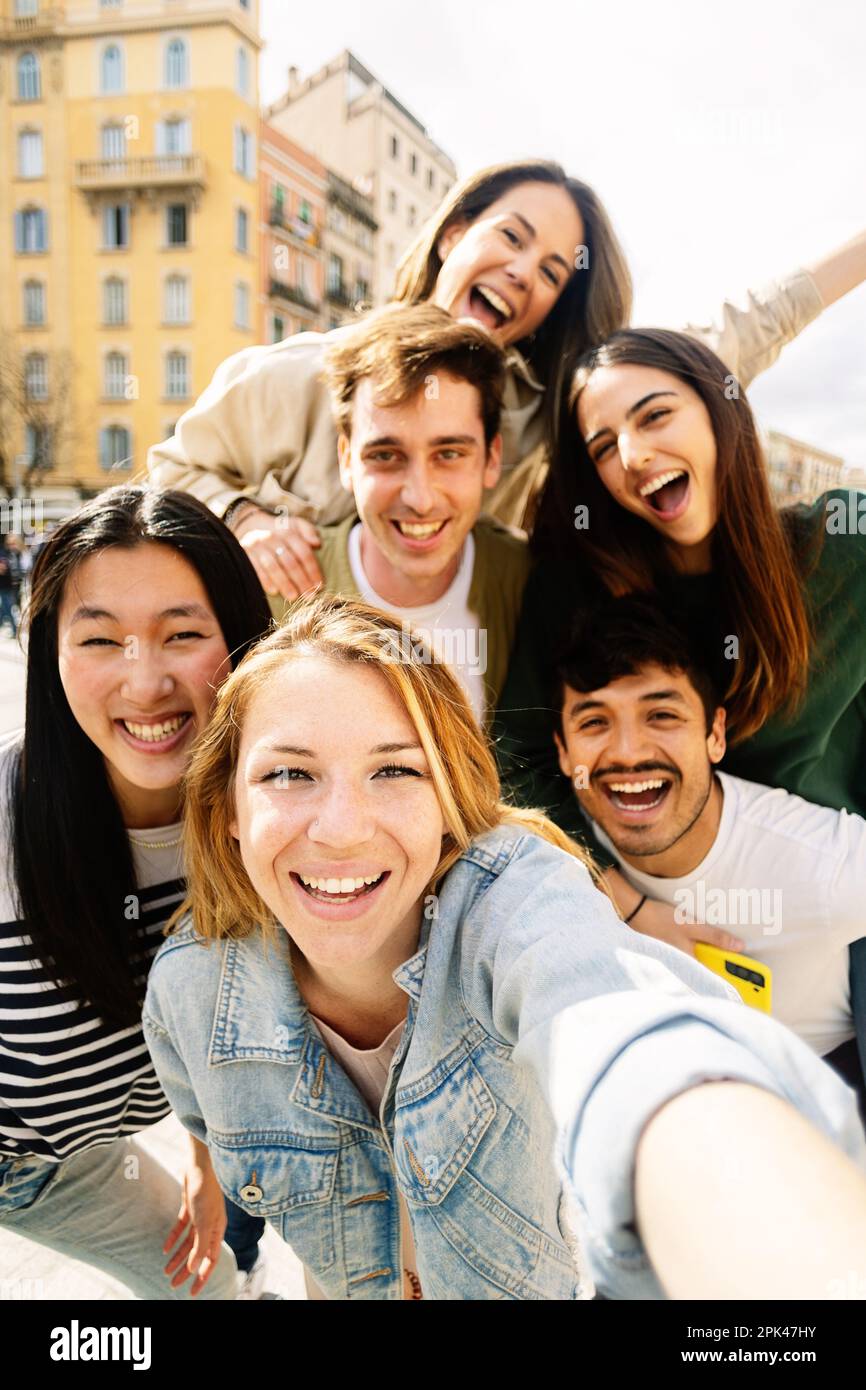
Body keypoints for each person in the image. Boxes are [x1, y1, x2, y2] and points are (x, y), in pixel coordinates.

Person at [143, 593, 866, 1301]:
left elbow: (616, 1016)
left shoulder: (517, 902)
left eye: (396, 770)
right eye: (289, 773)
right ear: (229, 809)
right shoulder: (188, 994)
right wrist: (207, 1177)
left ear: (448, 804)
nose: (342, 828)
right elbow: (204, 1112)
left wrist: (746, 1186)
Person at [146, 159, 866, 601]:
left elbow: (730, 336)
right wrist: (245, 519)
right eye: (512, 237)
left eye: (553, 272)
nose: (525, 271)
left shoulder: (540, 418)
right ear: (455, 234)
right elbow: (166, 476)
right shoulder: (291, 375)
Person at [495, 326, 866, 1080]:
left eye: (655, 415)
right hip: (667, 916)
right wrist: (623, 904)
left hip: (840, 901)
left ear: (718, 411)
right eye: (602, 446)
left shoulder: (838, 547)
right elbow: (520, 757)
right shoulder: (580, 583)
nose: (631, 456)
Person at [0, 485, 272, 1299]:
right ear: (51, 653)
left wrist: (205, 1156)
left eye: (182, 634)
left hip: (70, 1168)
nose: (145, 681)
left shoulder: (266, 824)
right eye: (101, 640)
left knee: (209, 1288)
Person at [551, 594, 866, 1112]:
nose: (628, 752)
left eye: (662, 715)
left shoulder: (822, 866)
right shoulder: (551, 850)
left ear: (715, 734)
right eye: (594, 723)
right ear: (563, 752)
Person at [287, 301, 528, 726]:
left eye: (449, 454)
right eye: (385, 455)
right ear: (346, 459)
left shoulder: (529, 582)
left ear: (492, 459)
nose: (420, 498)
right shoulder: (278, 590)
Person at [0, 535, 21, 637]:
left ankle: (14, 629)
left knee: (7, 607)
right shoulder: (3, 553)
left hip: (12, 585)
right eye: (11, 543)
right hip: (5, 585)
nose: (12, 545)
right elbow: (2, 569)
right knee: (6, 607)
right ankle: (14, 629)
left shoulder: (15, 553)